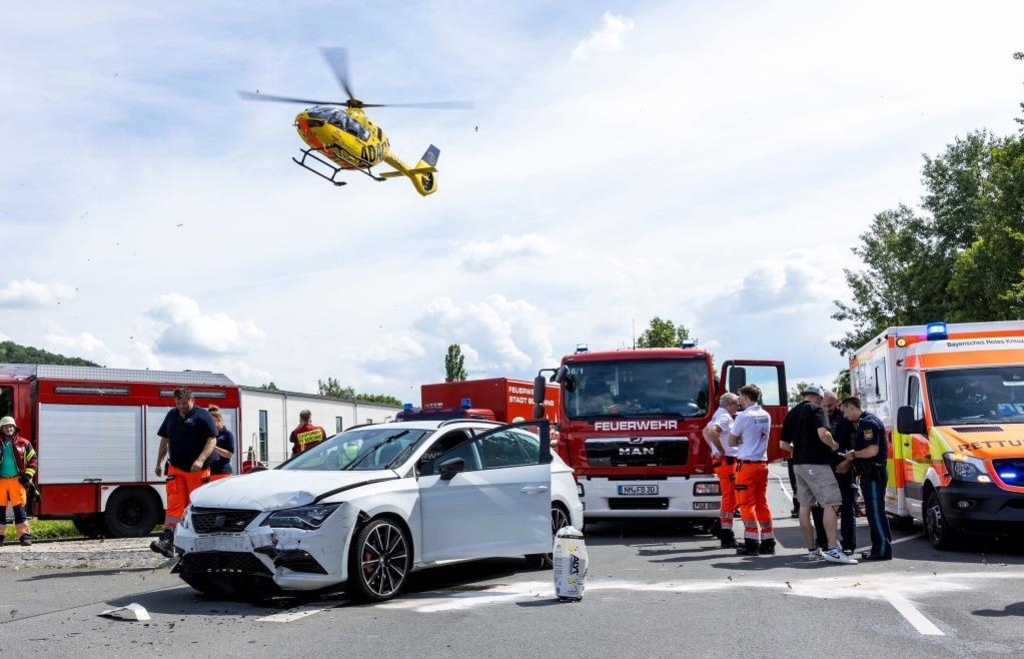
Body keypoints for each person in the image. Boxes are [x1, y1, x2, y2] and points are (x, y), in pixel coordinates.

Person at [781, 385, 857, 564]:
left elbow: (783, 444)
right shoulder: (817, 409)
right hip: (817, 464)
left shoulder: (792, 413)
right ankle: (832, 548)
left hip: (798, 465)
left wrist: (797, 451)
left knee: (805, 506)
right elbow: (823, 433)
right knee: (832, 502)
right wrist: (832, 444)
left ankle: (813, 549)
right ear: (820, 397)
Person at [150, 387, 218, 558]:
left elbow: (212, 440)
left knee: (197, 505)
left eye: (184, 403)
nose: (181, 406)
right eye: (178, 403)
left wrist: (201, 459)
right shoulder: (172, 416)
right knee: (174, 504)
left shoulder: (202, 416)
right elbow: (165, 440)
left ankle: (202, 544)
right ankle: (167, 541)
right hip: (175, 468)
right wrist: (158, 462)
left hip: (197, 471)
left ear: (192, 399)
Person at [841, 397, 893, 561]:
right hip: (870, 474)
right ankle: (879, 548)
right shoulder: (865, 422)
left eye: (844, 411)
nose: (844, 416)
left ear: (851, 408)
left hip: (873, 475)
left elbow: (872, 450)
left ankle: (882, 550)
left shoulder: (868, 423)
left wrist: (853, 455)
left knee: (876, 513)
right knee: (873, 512)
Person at [728, 384, 775, 556]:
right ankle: (768, 541)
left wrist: (741, 440)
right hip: (762, 464)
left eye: (740, 397)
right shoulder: (766, 415)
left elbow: (732, 441)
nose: (739, 401)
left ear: (746, 397)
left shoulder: (743, 417)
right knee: (762, 503)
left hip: (746, 466)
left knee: (746, 504)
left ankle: (751, 542)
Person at [703, 392, 741, 548]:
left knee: (732, 496)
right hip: (727, 462)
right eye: (737, 404)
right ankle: (725, 533)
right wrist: (721, 450)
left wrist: (714, 449)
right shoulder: (725, 417)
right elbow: (712, 432)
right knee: (731, 497)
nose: (738, 407)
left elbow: (705, 431)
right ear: (730, 404)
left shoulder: (717, 415)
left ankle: (719, 526)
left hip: (724, 462)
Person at [824, 390, 858, 554]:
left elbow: (855, 443)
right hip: (826, 468)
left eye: (830, 405)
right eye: (825, 405)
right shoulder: (821, 417)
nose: (828, 408)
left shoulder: (845, 418)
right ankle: (825, 542)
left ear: (837, 402)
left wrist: (849, 462)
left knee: (847, 507)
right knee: (827, 507)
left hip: (844, 467)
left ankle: (848, 544)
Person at [0, 416, 37, 547]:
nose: (8, 428)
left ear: (15, 428)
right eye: (5, 427)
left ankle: (25, 538)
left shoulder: (24, 443)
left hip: (17, 481)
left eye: (11, 426)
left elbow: (33, 460)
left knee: (20, 511)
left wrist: (27, 476)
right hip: (1, 482)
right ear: (1, 429)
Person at [206, 405, 235, 482]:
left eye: (213, 421)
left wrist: (213, 447)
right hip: (208, 472)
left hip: (223, 472)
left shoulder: (226, 434)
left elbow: (229, 454)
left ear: (219, 420)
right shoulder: (206, 435)